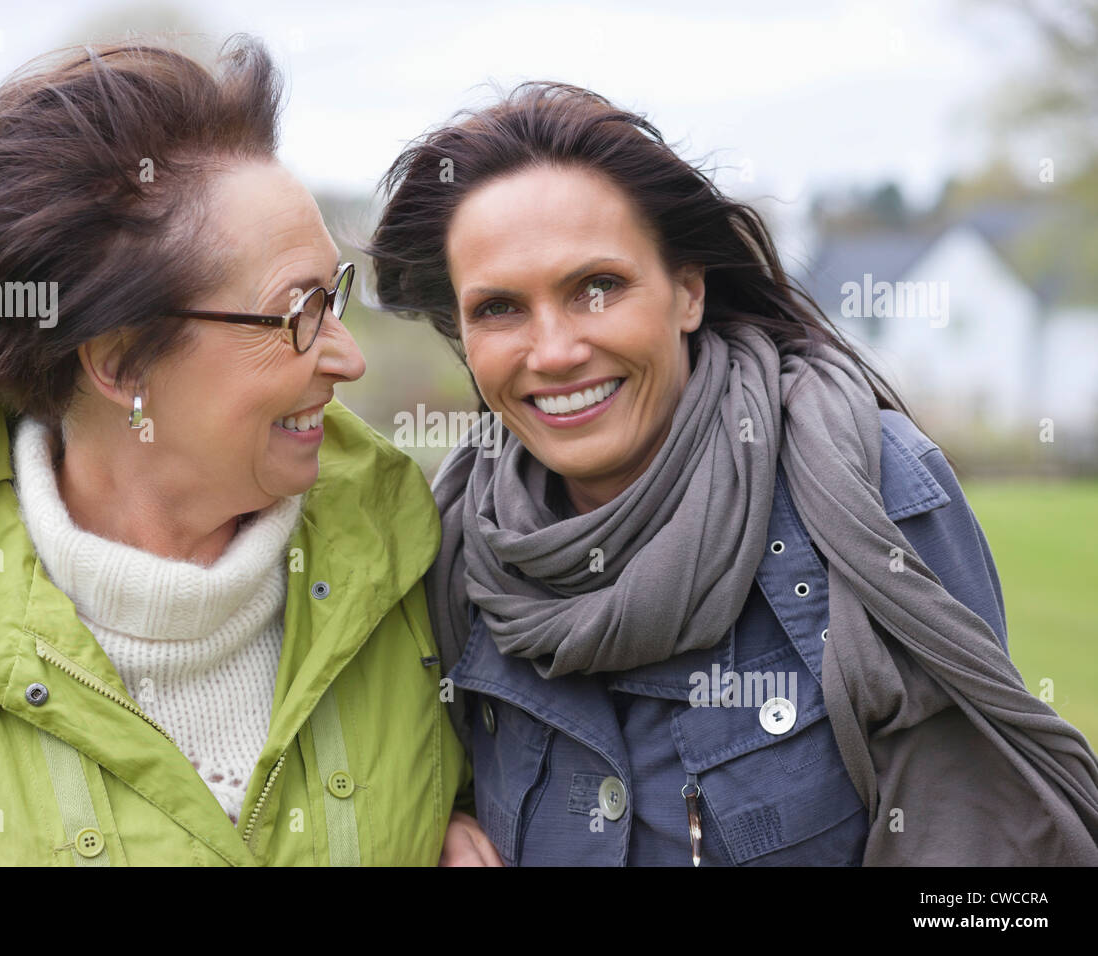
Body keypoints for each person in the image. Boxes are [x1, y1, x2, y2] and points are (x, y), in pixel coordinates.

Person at [366, 81, 1098, 865]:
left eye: (598, 288)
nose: (552, 351)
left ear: (687, 291)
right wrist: (428, 824)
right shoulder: (445, 556)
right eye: (500, 308)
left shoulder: (872, 494)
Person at [0, 37, 467, 866]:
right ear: (121, 364)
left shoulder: (425, 580)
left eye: (335, 296)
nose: (347, 356)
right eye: (298, 313)